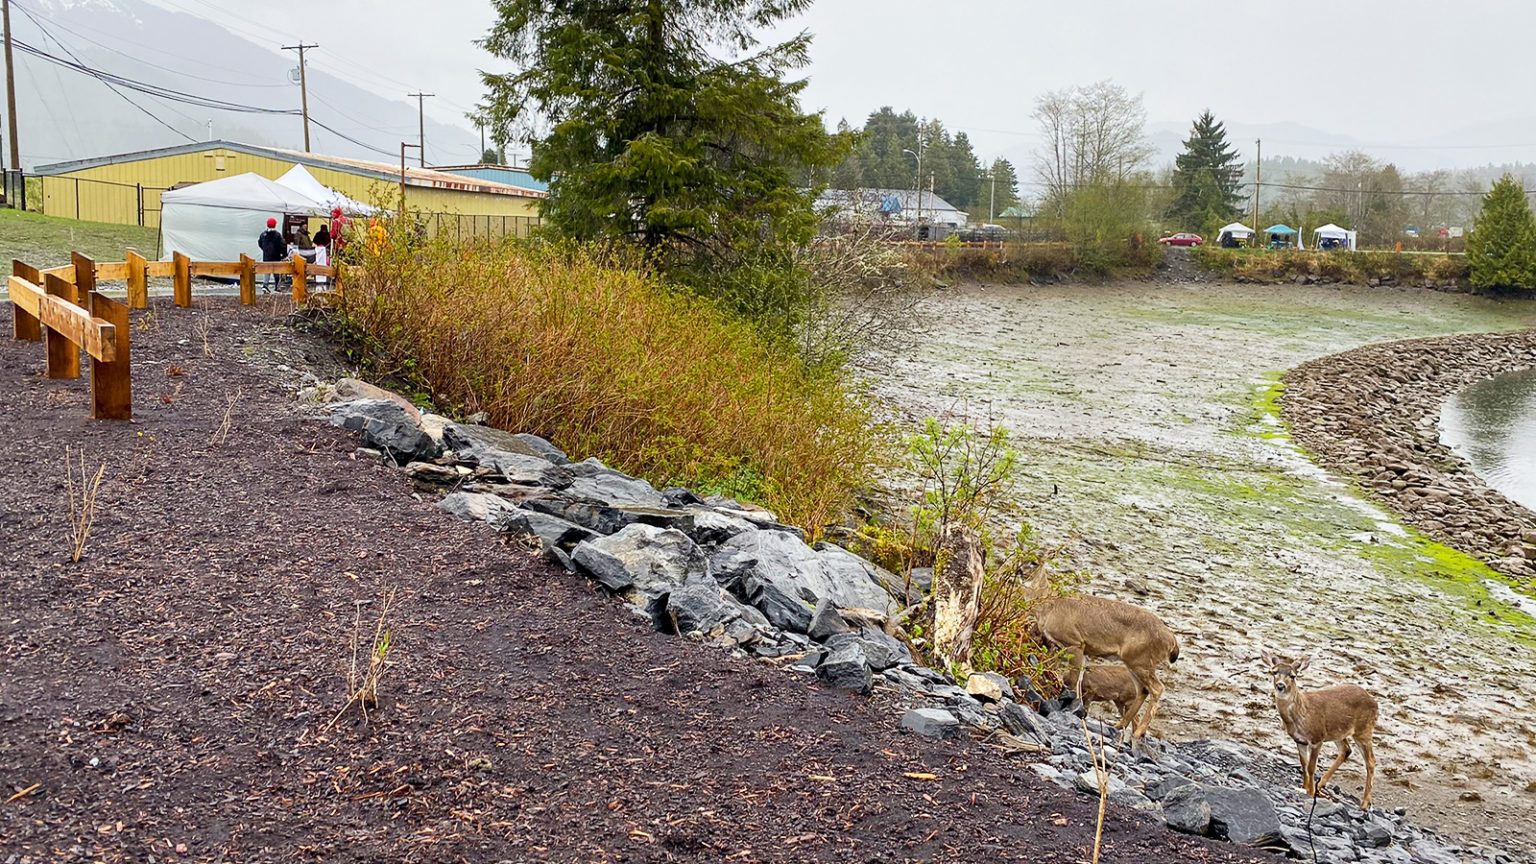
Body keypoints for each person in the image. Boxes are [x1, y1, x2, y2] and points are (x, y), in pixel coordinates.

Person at [257, 217, 286, 292]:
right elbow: (282, 245)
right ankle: (277, 286)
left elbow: (260, 243)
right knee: (276, 271)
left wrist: (265, 250)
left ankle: (265, 285)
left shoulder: (263, 234)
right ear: (275, 225)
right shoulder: (277, 235)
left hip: (266, 257)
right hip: (276, 256)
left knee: (267, 272)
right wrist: (283, 254)